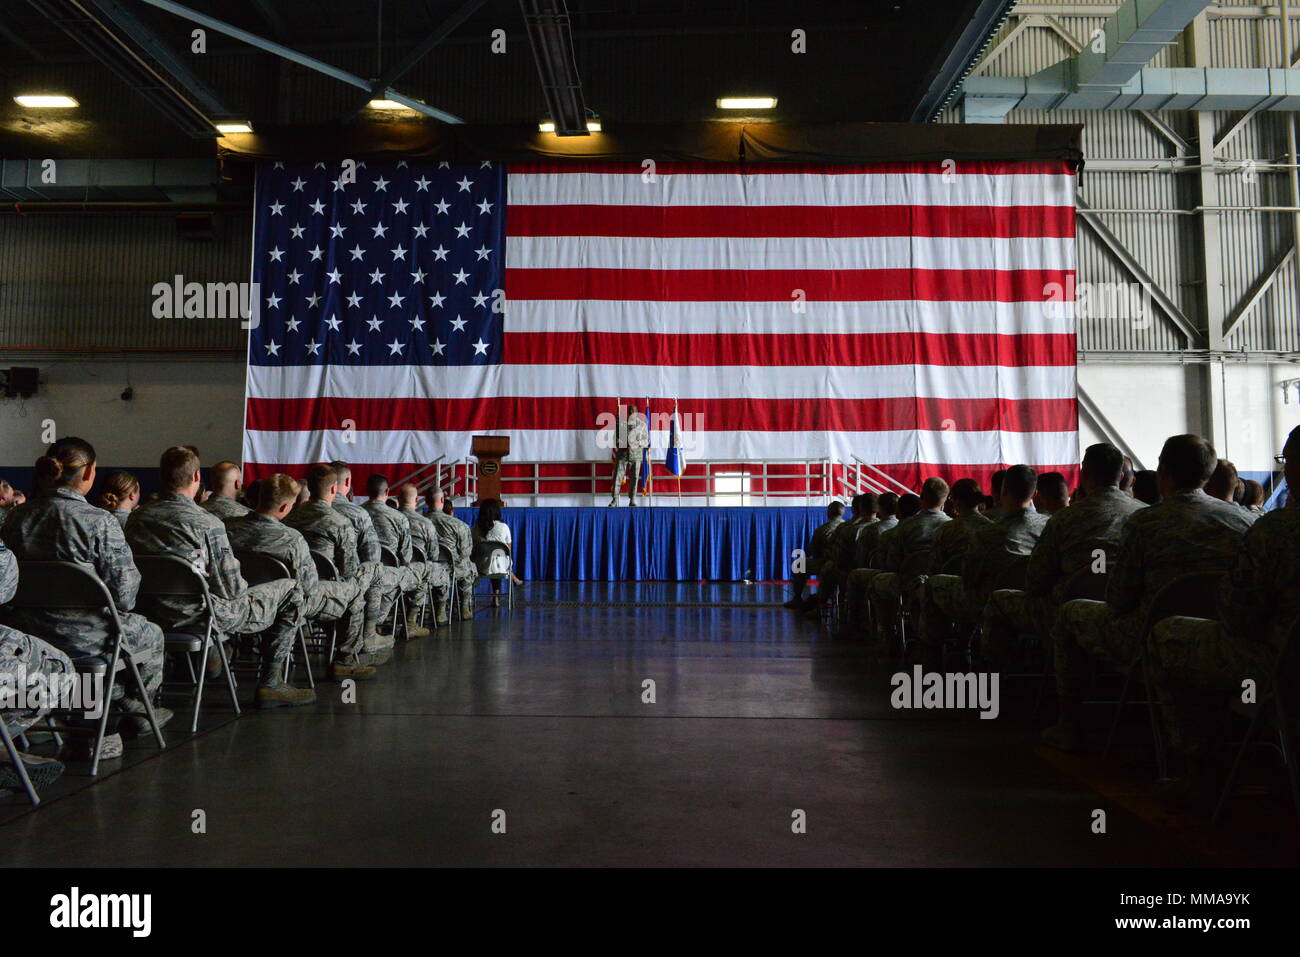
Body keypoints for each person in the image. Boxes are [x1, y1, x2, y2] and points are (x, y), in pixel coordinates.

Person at [1044, 435, 1255, 752]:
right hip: (1221, 635)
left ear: (1163, 472)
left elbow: (1119, 599)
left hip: (1147, 636)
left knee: (1069, 613)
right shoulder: (1244, 521)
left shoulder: (1144, 523)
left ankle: (1070, 725)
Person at [1148, 425, 1300, 801]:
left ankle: (1202, 773)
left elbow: (1239, 617)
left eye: (1287, 461)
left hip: (1284, 665)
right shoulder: (1250, 521)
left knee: (1169, 637)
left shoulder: (1276, 532)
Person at [0, 437, 167, 761]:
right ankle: (119, 710)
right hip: (89, 638)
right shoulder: (99, 521)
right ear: (89, 472)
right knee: (152, 635)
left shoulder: (15, 519)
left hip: (27, 637)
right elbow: (126, 596)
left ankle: (84, 713)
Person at [126, 447, 314, 709]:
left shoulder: (136, 518)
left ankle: (212, 655)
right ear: (196, 477)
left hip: (149, 614)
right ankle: (271, 682)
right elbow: (231, 589)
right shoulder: (208, 524)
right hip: (200, 615)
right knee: (293, 591)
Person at [980, 444, 1145, 664]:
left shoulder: (1064, 519)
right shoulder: (1145, 515)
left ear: (1084, 475)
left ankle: (1006, 676)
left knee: (998, 602)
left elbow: (1036, 580)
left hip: (1064, 613)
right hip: (1128, 615)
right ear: (1121, 476)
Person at [224, 474, 375, 681]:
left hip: (241, 601)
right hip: (285, 603)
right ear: (285, 507)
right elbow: (309, 588)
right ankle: (345, 661)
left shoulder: (227, 528)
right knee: (354, 593)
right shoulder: (291, 539)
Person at [915, 466, 1046, 666]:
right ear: (1035, 493)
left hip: (988, 602)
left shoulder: (987, 534)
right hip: (1034, 602)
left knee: (933, 585)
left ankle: (933, 657)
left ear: (1003, 491)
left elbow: (969, 578)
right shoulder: (1049, 526)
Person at [283, 464, 391, 654]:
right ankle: (365, 637)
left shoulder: (290, 516)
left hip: (294, 586)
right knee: (374, 569)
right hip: (328, 589)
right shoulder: (341, 522)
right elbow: (351, 570)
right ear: (334, 488)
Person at [0, 540, 73, 790]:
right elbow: (4, 587)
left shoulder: (19, 522)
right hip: (89, 632)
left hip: (29, 619)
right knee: (58, 669)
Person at [865, 479, 951, 643]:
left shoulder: (904, 526)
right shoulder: (952, 526)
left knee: (876, 583)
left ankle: (887, 634)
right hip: (942, 585)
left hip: (908, 583)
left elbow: (892, 563)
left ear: (922, 497)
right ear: (945, 500)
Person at [425, 487, 476, 621]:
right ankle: (464, 608)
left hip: (426, 568)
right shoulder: (459, 525)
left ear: (426, 501)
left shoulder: (418, 522)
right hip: (452, 569)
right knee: (468, 566)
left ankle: (439, 610)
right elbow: (466, 552)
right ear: (442, 500)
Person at [783, 501, 844, 610]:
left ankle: (797, 598)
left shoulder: (822, 530)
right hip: (845, 565)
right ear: (842, 513)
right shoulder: (849, 527)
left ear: (828, 513)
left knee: (800, 564)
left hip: (827, 564)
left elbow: (814, 551)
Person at [471, 498, 512, 607]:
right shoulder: (504, 527)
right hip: (501, 567)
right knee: (497, 561)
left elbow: (471, 548)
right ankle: (496, 597)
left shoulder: (475, 528)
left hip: (480, 566)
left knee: (491, 560)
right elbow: (508, 550)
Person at [609, 403, 650, 507]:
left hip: (636, 456)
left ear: (637, 413)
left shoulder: (642, 425)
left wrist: (637, 442)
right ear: (628, 412)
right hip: (623, 455)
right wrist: (623, 444)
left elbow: (646, 441)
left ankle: (632, 499)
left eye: (633, 411)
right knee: (617, 476)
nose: (632, 413)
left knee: (634, 478)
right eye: (630, 411)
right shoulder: (621, 424)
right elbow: (615, 439)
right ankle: (614, 499)